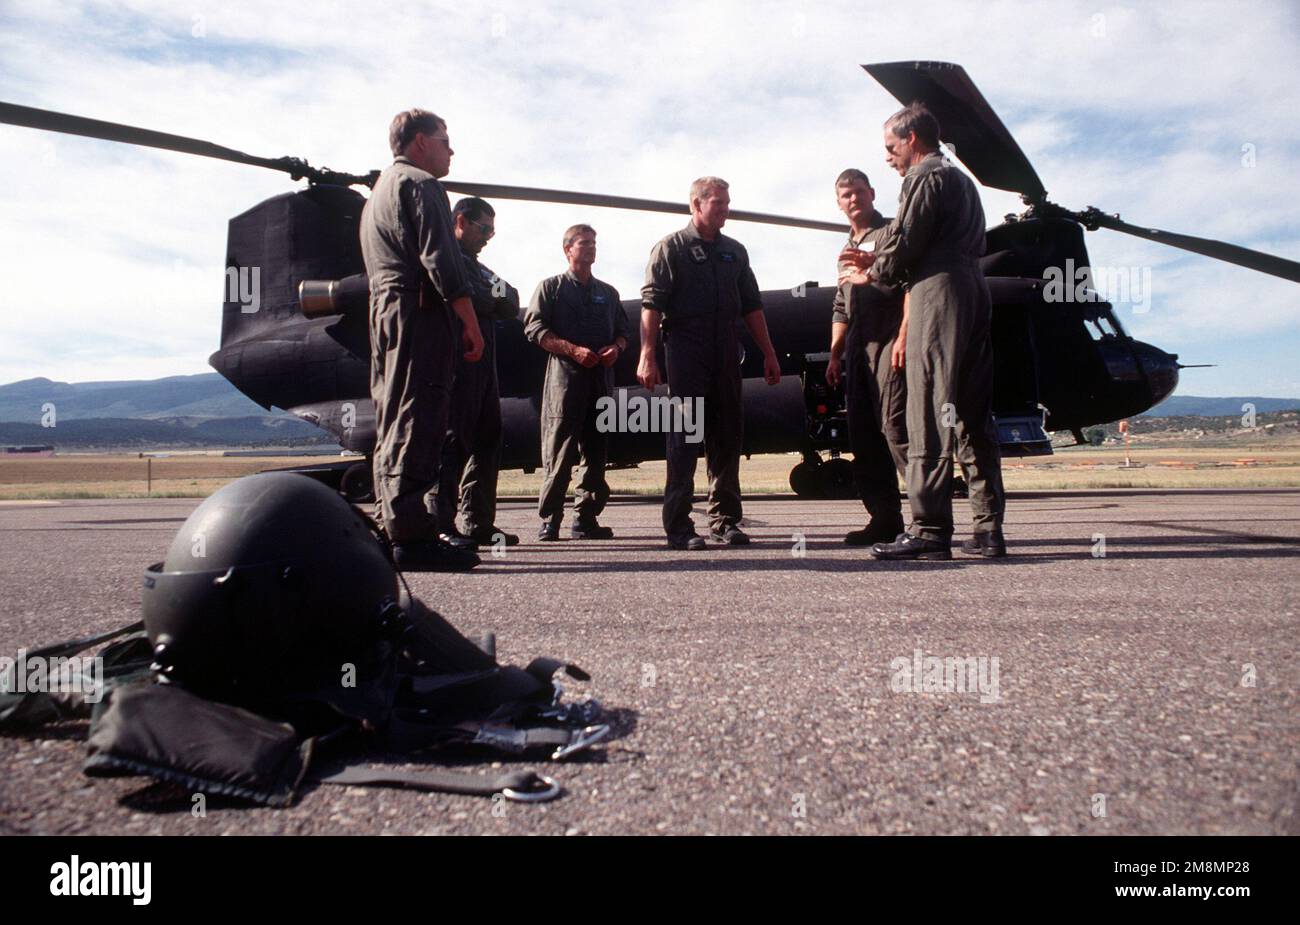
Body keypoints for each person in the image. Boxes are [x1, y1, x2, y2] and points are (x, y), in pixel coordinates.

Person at [839, 103, 1006, 560]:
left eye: (891, 148)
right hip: (972, 290)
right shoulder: (962, 181)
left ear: (911, 139)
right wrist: (882, 261)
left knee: (929, 408)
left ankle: (930, 530)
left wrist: (872, 274)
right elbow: (926, 240)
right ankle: (988, 529)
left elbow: (908, 242)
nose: (889, 157)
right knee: (972, 414)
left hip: (937, 293)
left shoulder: (925, 177)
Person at [359, 108, 484, 572]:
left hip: (386, 310)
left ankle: (391, 522)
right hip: (419, 310)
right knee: (420, 412)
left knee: (392, 413)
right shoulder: (422, 185)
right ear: (419, 142)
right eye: (444, 139)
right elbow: (442, 262)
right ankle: (412, 534)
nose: (451, 149)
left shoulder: (378, 194)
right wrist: (470, 321)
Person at [639, 177, 781, 551]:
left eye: (727, 202)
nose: (725, 208)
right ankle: (680, 526)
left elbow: (752, 305)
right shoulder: (671, 248)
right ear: (695, 205)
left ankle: (725, 520)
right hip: (685, 346)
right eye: (718, 202)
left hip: (726, 346)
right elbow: (652, 305)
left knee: (727, 433)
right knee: (684, 433)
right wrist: (647, 354)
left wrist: (768, 352)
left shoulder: (735, 251)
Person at [523, 224, 629, 540]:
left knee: (597, 455)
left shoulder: (608, 293)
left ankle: (585, 520)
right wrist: (572, 350)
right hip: (564, 383)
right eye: (585, 243)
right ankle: (550, 521)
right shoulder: (551, 288)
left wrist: (616, 348)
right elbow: (535, 329)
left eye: (594, 242)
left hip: (600, 382)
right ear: (568, 249)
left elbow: (624, 332)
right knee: (559, 453)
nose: (591, 247)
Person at [826, 168, 908, 546]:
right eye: (846, 194)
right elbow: (841, 306)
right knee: (863, 435)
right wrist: (834, 354)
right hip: (858, 347)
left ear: (872, 193)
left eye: (859, 191)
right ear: (839, 202)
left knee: (896, 430)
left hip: (889, 339)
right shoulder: (844, 251)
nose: (854, 198)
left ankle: (928, 518)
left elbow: (908, 283)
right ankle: (884, 518)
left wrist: (905, 335)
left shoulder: (891, 233)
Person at [436, 196, 521, 548]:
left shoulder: (481, 269)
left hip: (485, 369)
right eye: (483, 228)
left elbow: (511, 300)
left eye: (492, 231)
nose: (488, 237)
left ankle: (479, 522)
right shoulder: (446, 260)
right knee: (454, 441)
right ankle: (440, 523)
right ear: (460, 221)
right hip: (457, 364)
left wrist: (484, 297)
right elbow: (467, 298)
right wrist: (485, 300)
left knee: (488, 440)